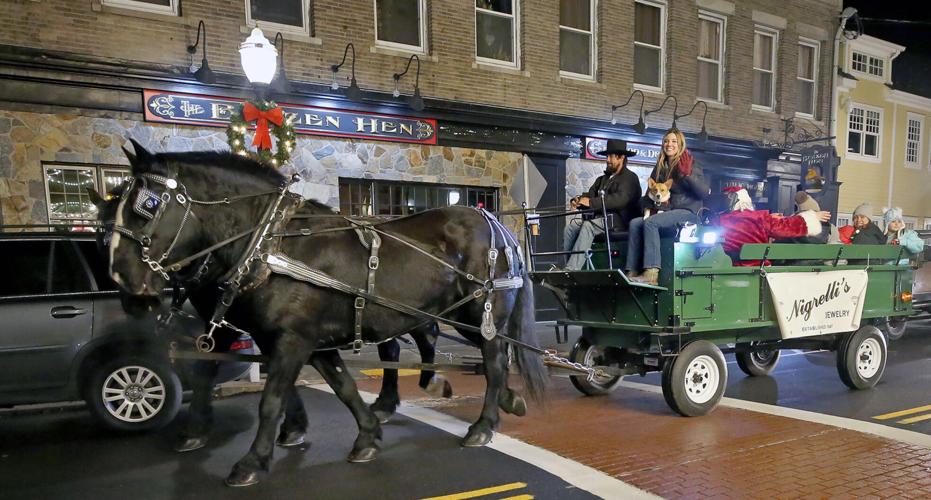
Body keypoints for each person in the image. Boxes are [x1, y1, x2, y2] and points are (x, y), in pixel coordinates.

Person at [626, 128, 709, 285]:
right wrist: (646, 206)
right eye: (666, 141)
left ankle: (651, 274)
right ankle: (631, 271)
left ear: (680, 144)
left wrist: (688, 175)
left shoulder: (690, 162)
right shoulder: (660, 166)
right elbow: (647, 195)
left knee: (651, 222)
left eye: (673, 141)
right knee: (635, 223)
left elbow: (704, 193)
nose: (669, 144)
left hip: (688, 212)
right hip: (667, 212)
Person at [563, 139, 642, 270]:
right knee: (570, 229)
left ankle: (571, 269)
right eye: (607, 156)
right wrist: (578, 200)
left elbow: (620, 200)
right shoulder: (602, 179)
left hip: (618, 221)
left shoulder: (630, 178)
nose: (607, 160)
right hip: (600, 220)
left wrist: (591, 202)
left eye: (611, 156)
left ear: (621, 157)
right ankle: (568, 266)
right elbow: (590, 195)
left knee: (588, 226)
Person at [718, 187, 830, 266]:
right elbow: (786, 228)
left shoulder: (719, 219)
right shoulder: (758, 218)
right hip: (757, 268)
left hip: (727, 265)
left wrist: (769, 218)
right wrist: (813, 217)